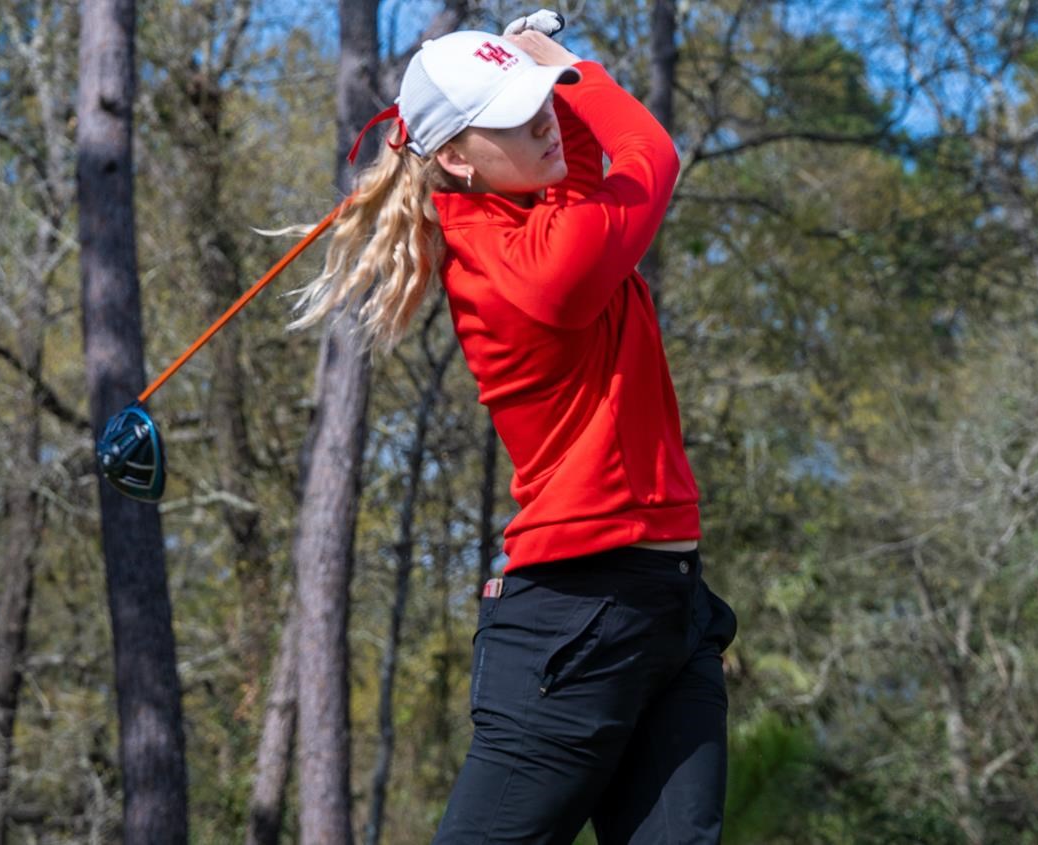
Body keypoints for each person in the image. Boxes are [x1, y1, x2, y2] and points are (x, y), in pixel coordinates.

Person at [288, 15, 739, 844]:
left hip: (670, 612)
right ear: (456, 158)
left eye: (538, 104)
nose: (540, 117)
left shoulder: (534, 213)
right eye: (511, 115)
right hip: (575, 618)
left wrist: (532, 73)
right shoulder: (528, 268)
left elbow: (563, 160)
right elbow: (649, 158)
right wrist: (572, 69)